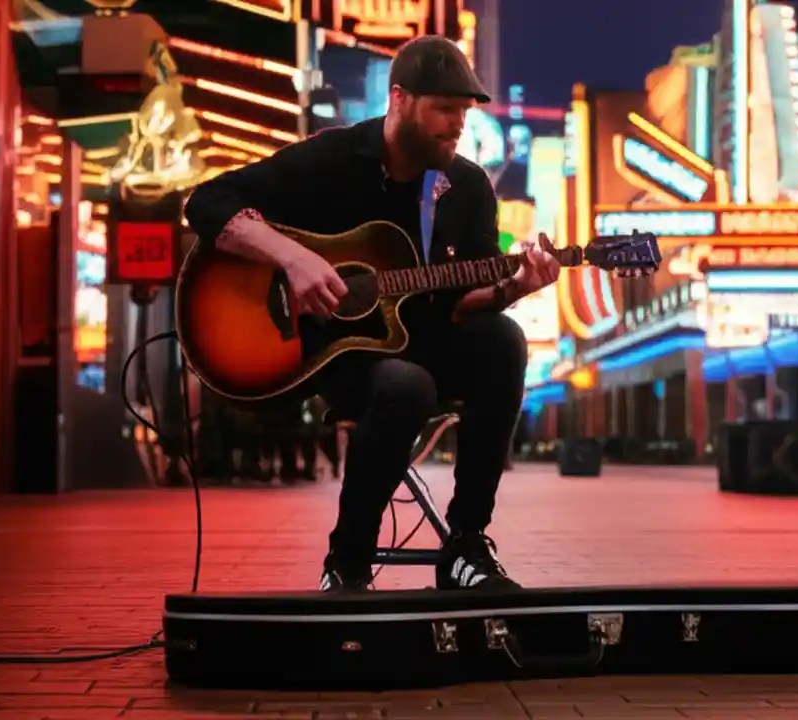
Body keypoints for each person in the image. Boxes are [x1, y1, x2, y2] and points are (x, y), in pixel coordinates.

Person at [184, 36, 615, 592]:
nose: (458, 124)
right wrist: (293, 260)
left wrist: (515, 289)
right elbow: (206, 202)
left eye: (464, 112)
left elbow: (464, 302)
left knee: (503, 339)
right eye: (444, 109)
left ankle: (466, 546)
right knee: (405, 384)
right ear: (399, 100)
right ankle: (349, 557)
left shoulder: (467, 186)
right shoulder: (334, 159)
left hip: (428, 344)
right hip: (334, 354)